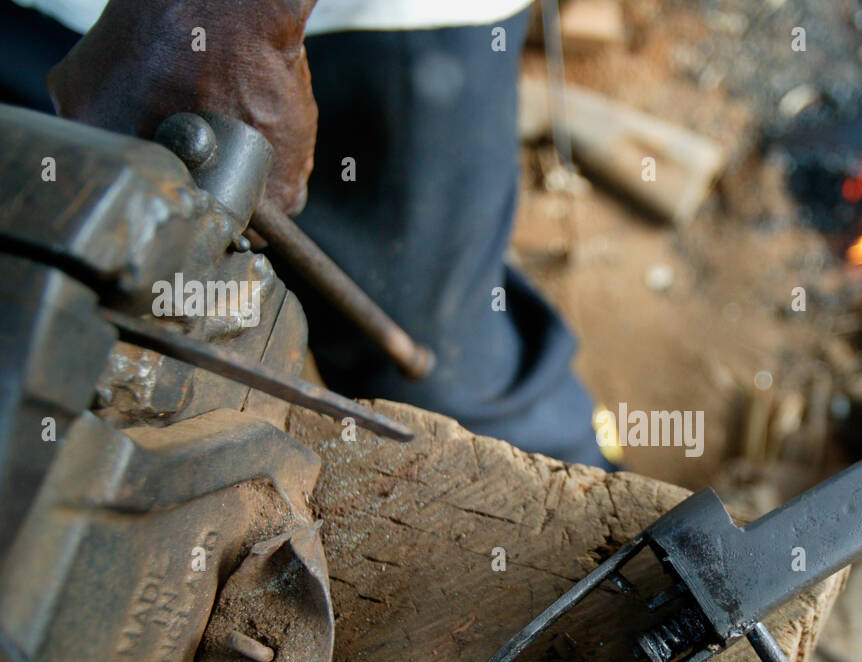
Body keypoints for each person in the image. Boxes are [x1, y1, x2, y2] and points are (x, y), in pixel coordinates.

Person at [0, 0, 611, 468]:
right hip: (51, 27)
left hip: (352, 29)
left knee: (443, 373)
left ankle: (610, 560)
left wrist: (225, 17)